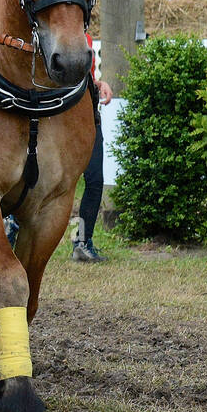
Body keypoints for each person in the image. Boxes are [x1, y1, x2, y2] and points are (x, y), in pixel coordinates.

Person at [74, 59, 113, 263]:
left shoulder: (85, 38)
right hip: (63, 119)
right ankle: (11, 228)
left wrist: (98, 84)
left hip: (89, 117)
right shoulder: (57, 30)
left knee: (95, 181)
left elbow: (82, 78)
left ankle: (82, 242)